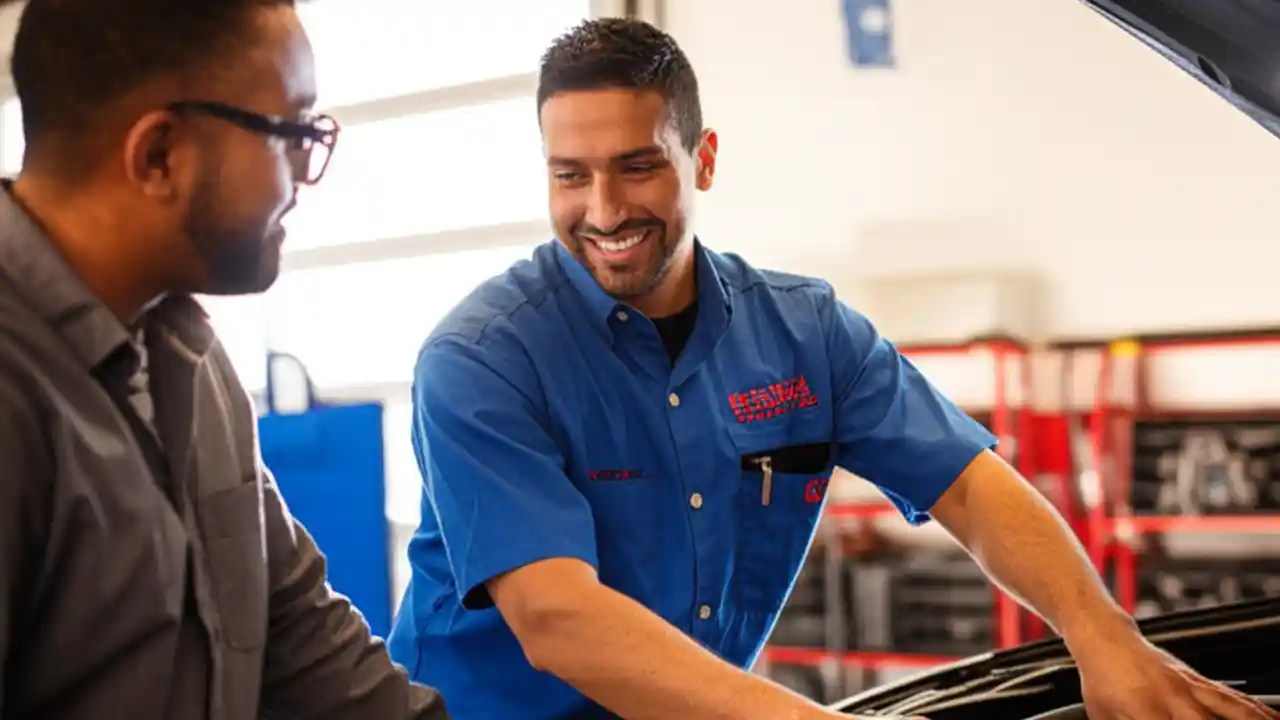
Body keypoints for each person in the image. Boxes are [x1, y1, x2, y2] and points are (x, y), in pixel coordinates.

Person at [386, 16, 1278, 720]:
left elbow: (970, 486)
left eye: (637, 166)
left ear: (702, 160)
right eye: (569, 176)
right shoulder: (481, 362)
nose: (604, 208)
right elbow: (559, 622)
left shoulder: (805, 333)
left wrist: (1105, 640)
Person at [0, 1, 448, 718]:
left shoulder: (190, 356)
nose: (308, 169)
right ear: (158, 156)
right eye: (290, 132)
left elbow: (299, 636)